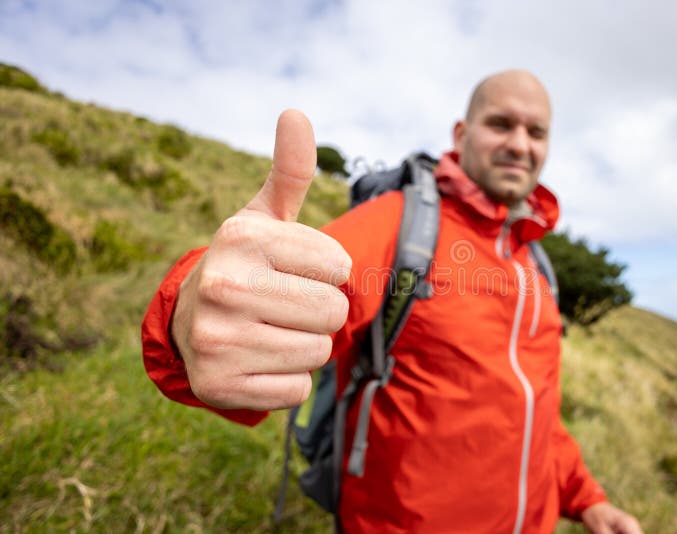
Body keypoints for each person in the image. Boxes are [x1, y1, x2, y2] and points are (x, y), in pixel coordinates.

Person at [142, 70, 643, 533]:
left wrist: (586, 498)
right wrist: (187, 319)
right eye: (501, 124)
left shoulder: (536, 266)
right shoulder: (400, 228)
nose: (519, 144)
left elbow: (536, 413)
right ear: (461, 135)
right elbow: (267, 316)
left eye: (536, 132)